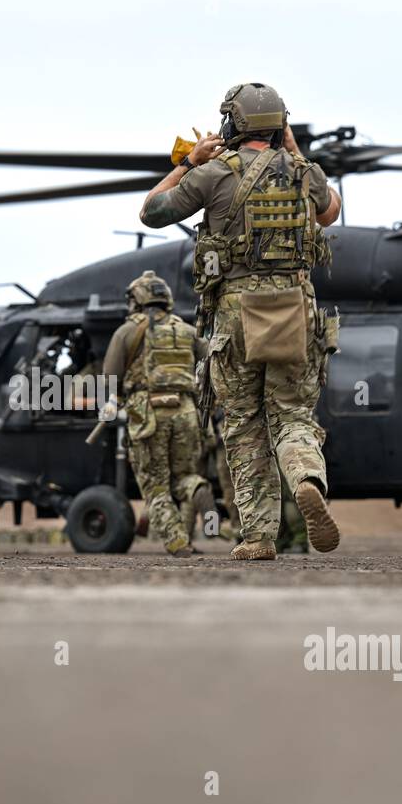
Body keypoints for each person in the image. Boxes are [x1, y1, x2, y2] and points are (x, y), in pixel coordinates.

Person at [139, 82, 342, 559]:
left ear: (233, 125)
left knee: (244, 422)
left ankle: (257, 537)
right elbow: (331, 212)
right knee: (292, 415)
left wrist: (188, 163)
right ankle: (307, 480)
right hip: (296, 310)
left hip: (236, 318)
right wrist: (293, 150)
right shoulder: (302, 173)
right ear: (280, 126)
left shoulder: (213, 175)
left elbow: (151, 212)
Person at [101, 271, 214, 557]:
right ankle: (198, 489)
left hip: (148, 412)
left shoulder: (127, 331)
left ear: (136, 300)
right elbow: (213, 361)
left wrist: (119, 400)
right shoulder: (186, 330)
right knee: (184, 476)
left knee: (156, 486)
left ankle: (177, 543)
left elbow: (110, 377)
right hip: (186, 410)